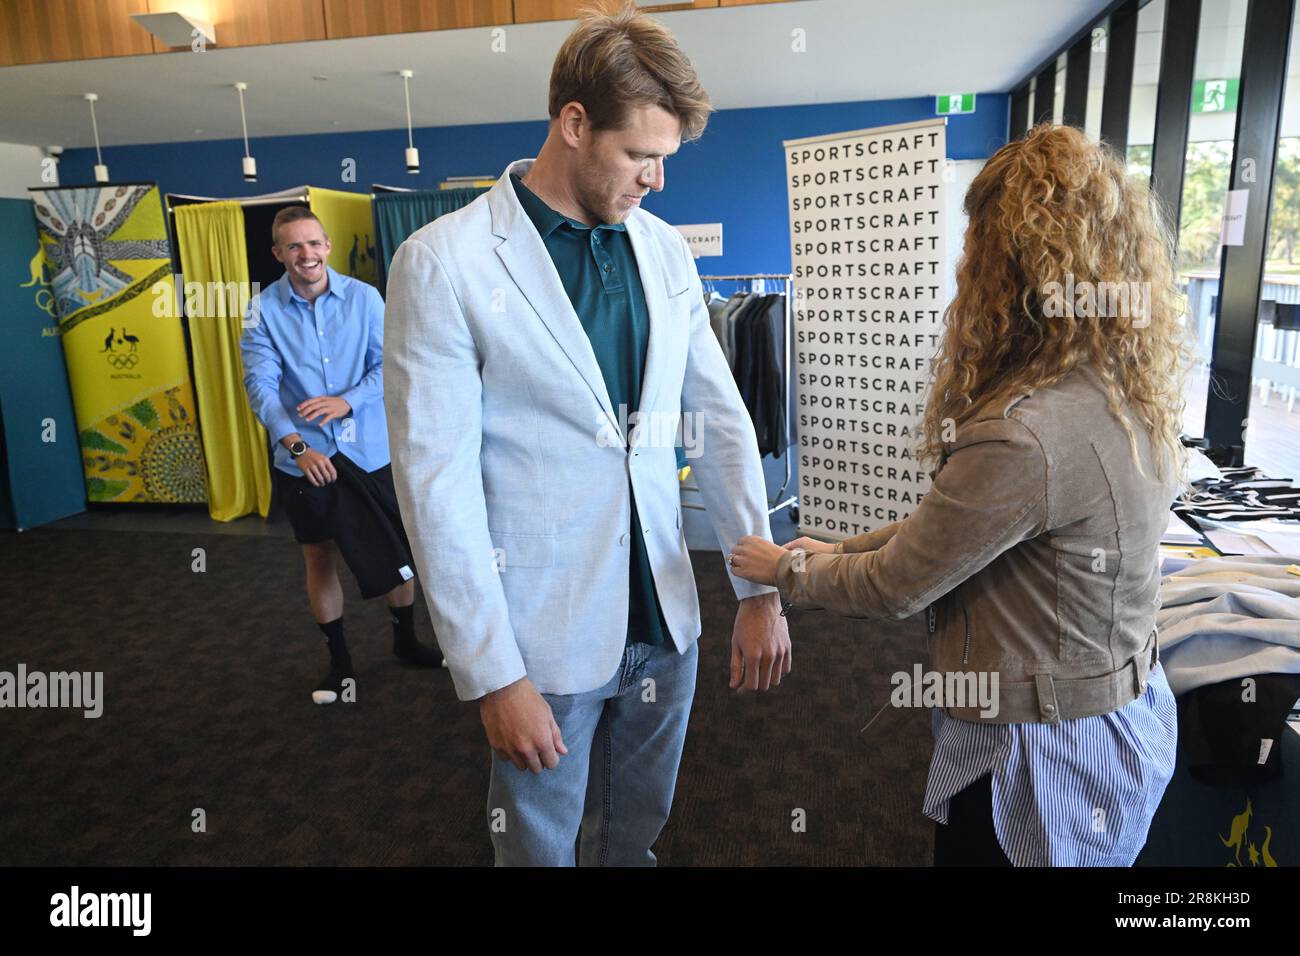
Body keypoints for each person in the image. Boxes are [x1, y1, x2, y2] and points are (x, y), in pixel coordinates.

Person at [383, 1, 791, 866]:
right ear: (573, 124)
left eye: (664, 158)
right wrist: (492, 671)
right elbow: (435, 485)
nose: (657, 178)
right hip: (542, 633)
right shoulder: (444, 261)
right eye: (640, 154)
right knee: (539, 846)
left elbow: (717, 419)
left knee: (635, 831)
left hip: (664, 614)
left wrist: (758, 588)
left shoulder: (664, 249)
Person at [731, 123, 1190, 867]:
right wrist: (838, 546)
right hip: (1112, 706)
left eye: (974, 243)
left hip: (1041, 750)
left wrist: (788, 572)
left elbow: (898, 584)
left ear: (1005, 262)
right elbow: (959, 529)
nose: (960, 263)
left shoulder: (1026, 432)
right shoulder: (1117, 391)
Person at [242, 206, 442, 706]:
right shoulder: (260, 310)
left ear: (327, 246)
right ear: (278, 253)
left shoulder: (365, 298)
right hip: (305, 459)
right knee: (320, 556)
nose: (306, 254)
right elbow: (260, 386)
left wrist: (347, 399)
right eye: (294, 246)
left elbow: (389, 364)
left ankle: (405, 642)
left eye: (313, 243)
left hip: (371, 452)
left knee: (395, 550)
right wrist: (296, 444)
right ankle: (339, 660)